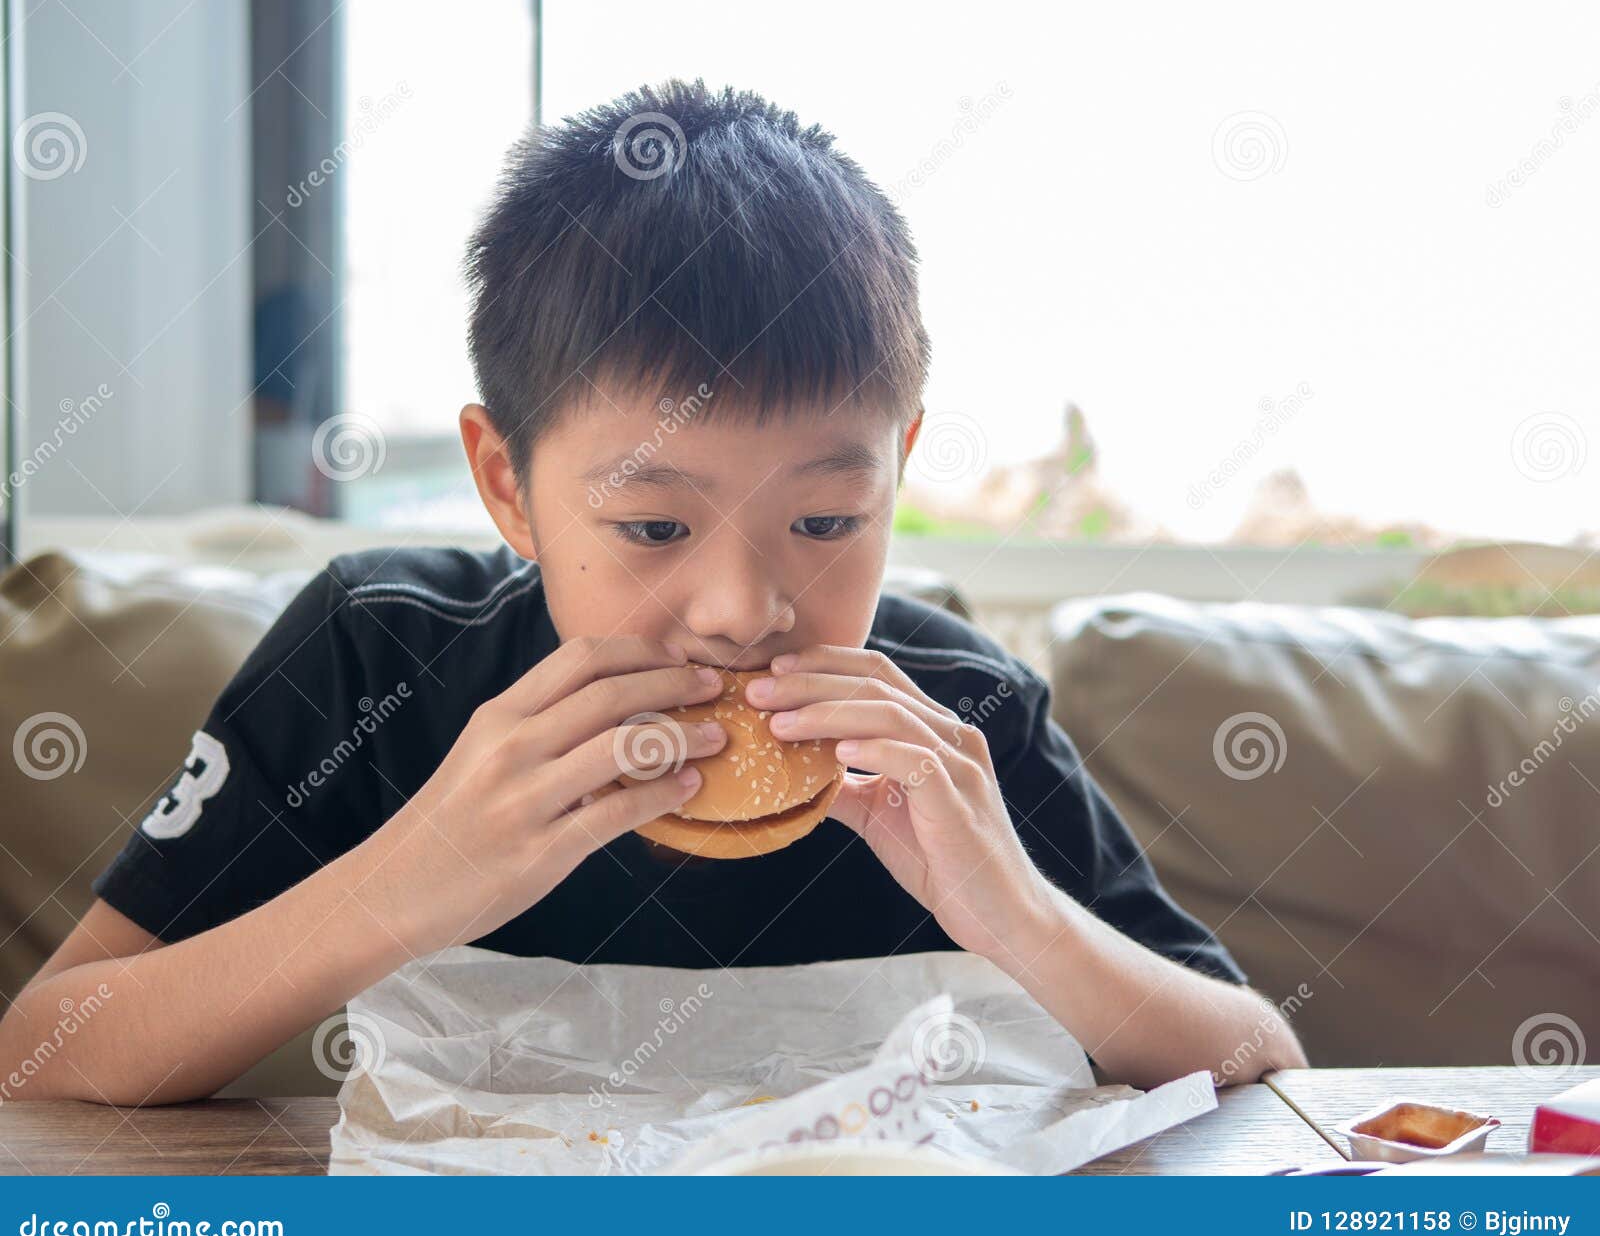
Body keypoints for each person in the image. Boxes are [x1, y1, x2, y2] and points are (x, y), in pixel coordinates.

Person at [2, 80, 1304, 1106]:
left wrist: (1010, 909)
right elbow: (40, 1057)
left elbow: (1257, 1053)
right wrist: (416, 876)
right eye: (652, 522)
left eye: (826, 519)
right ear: (507, 484)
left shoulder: (954, 719)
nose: (742, 606)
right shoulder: (372, 656)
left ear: (900, 472)